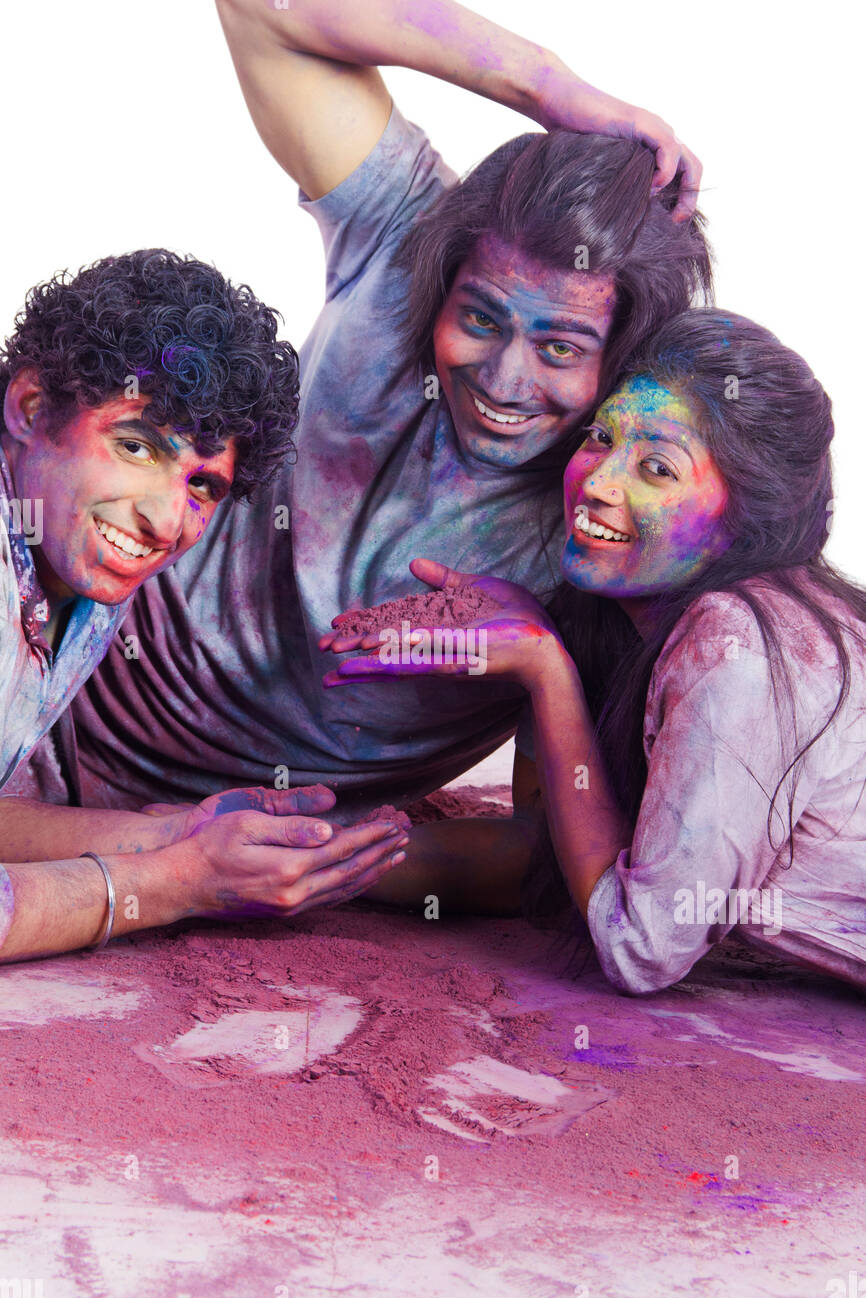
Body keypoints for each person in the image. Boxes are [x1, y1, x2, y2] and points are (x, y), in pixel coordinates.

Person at [9, 0, 710, 823]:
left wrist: (297, 846)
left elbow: (544, 850)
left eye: (561, 349)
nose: (505, 380)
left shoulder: (622, 520)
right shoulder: (405, 240)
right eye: (479, 320)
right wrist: (550, 88)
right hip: (35, 696)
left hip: (184, 829)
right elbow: (260, 10)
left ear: (624, 358)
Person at [323, 308, 866, 994]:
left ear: (744, 517)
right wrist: (317, 854)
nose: (601, 484)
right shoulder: (626, 617)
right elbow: (543, 853)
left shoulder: (739, 649)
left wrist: (545, 672)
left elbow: (641, 947)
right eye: (601, 437)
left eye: (657, 468)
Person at [0, 249, 407, 962]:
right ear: (31, 407)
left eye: (201, 486)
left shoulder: (80, 568)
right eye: (134, 445)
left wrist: (176, 834)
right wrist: (175, 883)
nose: (164, 518)